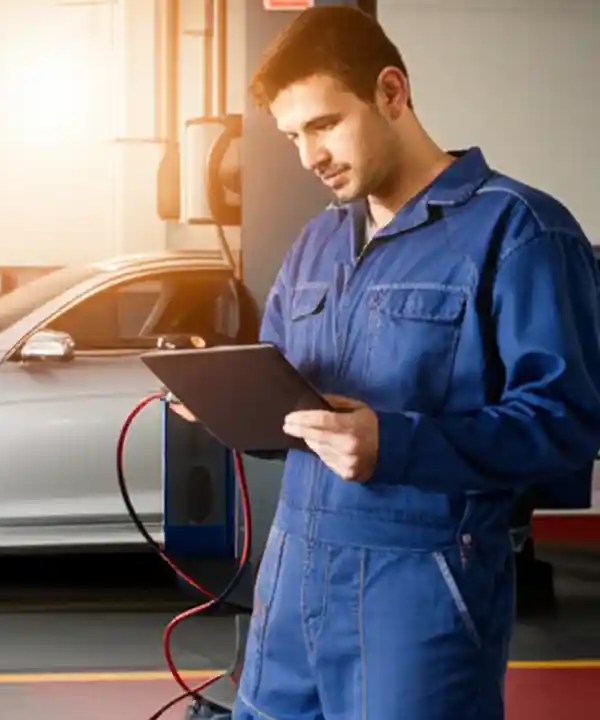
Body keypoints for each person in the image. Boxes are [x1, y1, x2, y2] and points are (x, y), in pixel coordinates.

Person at [169, 6, 600, 719]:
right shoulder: (315, 243)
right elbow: (295, 404)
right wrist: (226, 400)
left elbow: (568, 425)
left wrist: (395, 444)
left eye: (324, 124)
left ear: (392, 93)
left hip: (419, 593)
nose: (309, 155)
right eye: (292, 136)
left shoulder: (517, 230)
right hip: (292, 581)